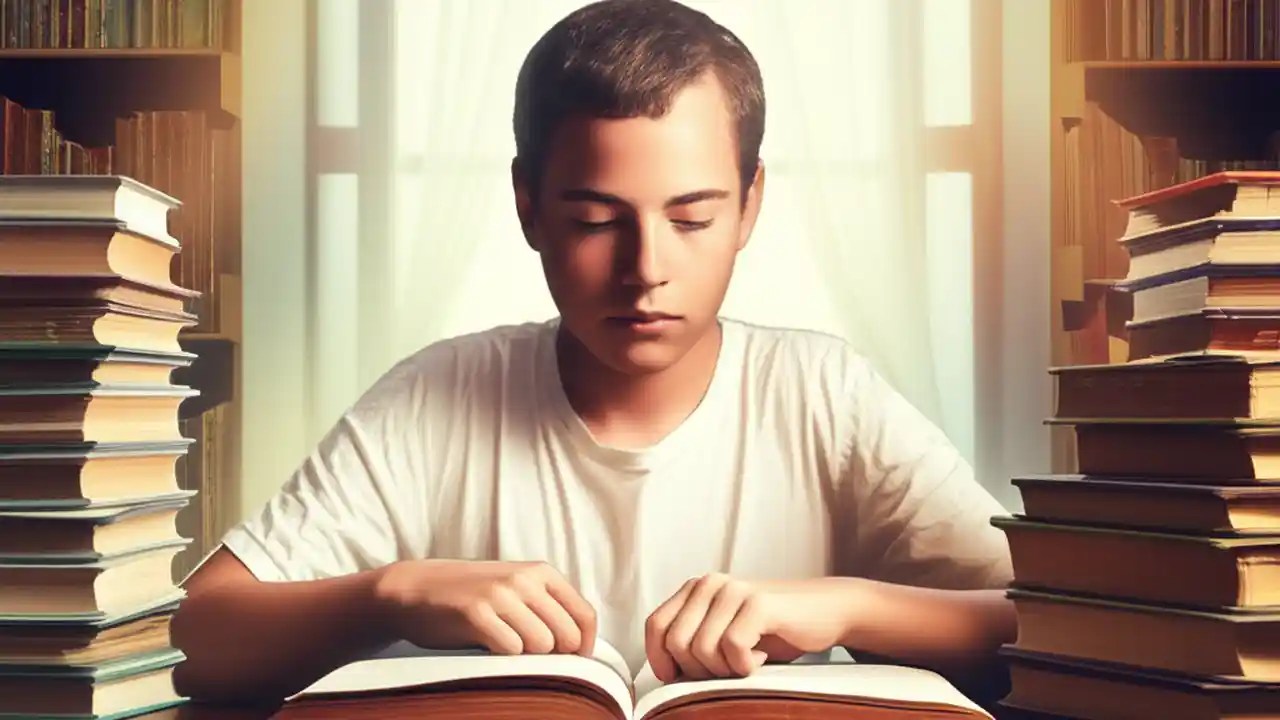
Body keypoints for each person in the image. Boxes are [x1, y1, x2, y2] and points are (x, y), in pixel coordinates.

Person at [171, 0, 1015, 706]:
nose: (645, 270)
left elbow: (1056, 619)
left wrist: (849, 608)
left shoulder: (823, 394)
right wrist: (396, 592)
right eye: (595, 221)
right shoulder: (439, 394)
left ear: (750, 205)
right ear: (529, 206)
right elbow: (198, 635)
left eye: (691, 219)